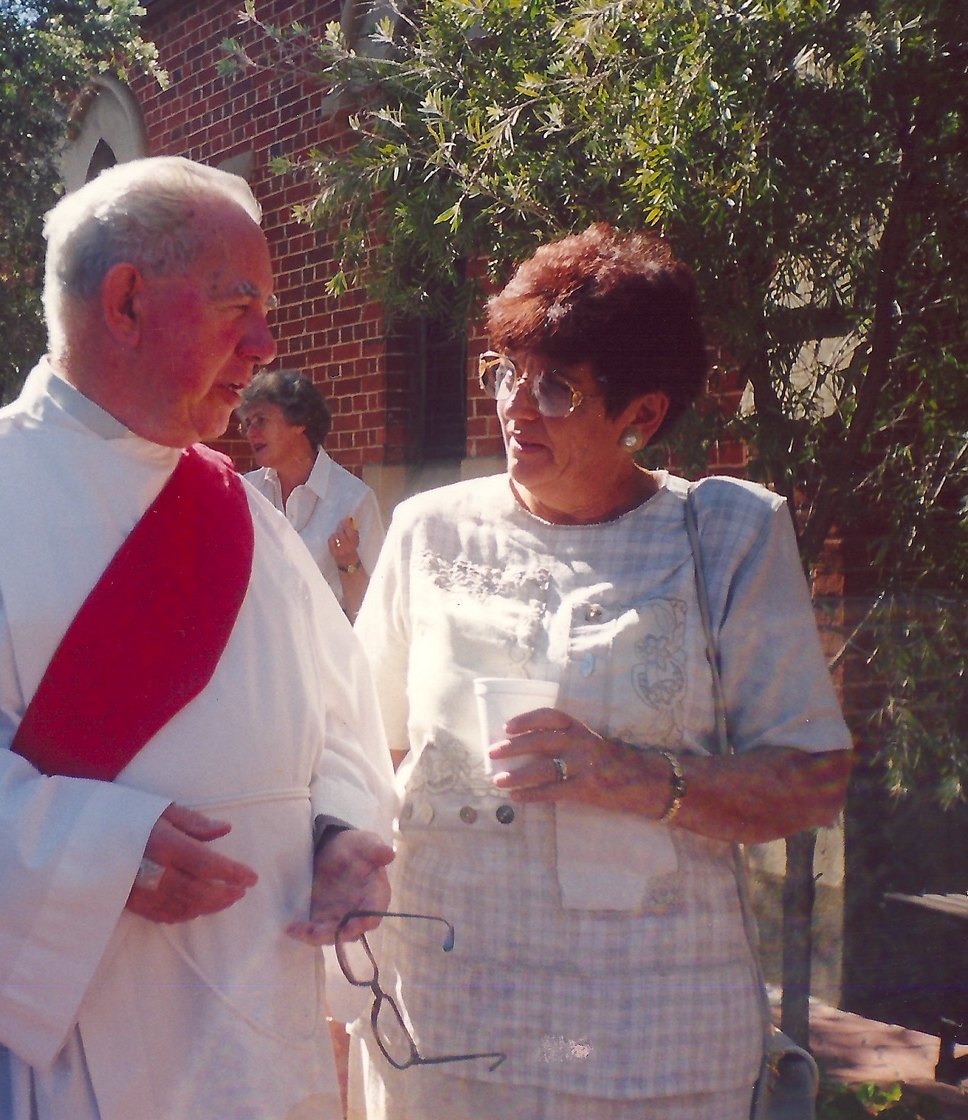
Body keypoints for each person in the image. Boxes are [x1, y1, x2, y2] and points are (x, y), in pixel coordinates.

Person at [0, 156, 399, 1120]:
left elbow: (339, 722)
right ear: (125, 302)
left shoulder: (246, 517)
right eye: (239, 306)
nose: (266, 343)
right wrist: (94, 852)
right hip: (69, 1049)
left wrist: (336, 831)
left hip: (258, 1031)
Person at [349, 224, 855, 1119]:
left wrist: (630, 776)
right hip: (449, 1014)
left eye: (556, 387)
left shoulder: (729, 536)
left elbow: (813, 779)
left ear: (643, 414)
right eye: (505, 372)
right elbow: (356, 746)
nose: (516, 407)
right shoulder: (429, 531)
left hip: (650, 1036)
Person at [240, 368, 385, 616]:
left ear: (299, 422)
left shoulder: (353, 498)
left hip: (321, 650)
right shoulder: (245, 491)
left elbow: (373, 613)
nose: (251, 433)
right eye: (248, 423)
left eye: (261, 420)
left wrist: (348, 561)